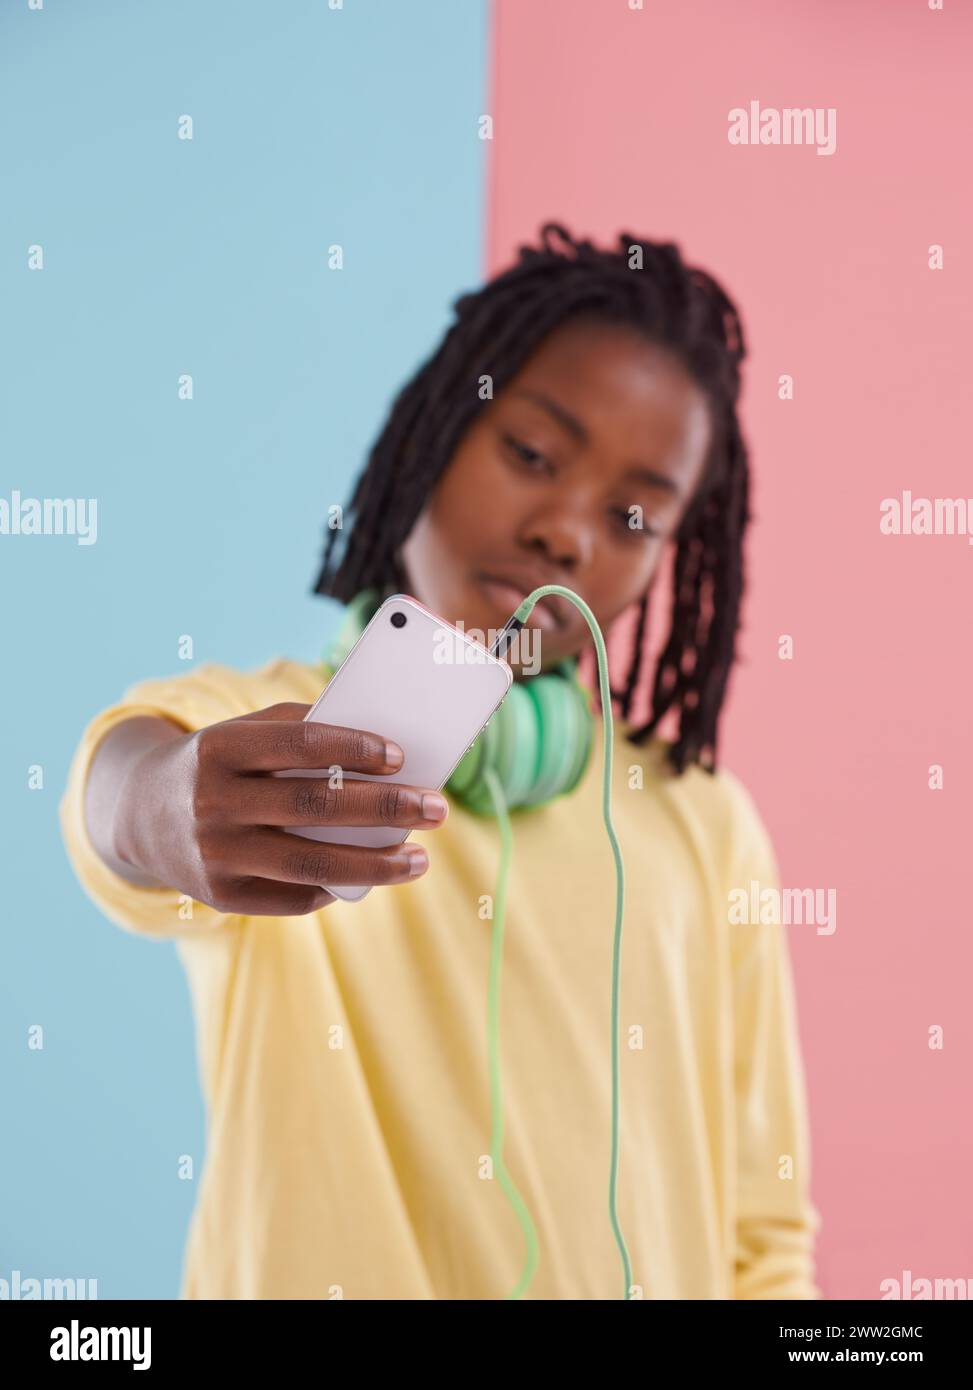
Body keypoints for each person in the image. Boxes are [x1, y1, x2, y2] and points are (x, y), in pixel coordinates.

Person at [60, 222, 822, 1300]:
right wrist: (159, 808)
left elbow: (763, 1234)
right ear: (431, 431)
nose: (566, 533)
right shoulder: (271, 733)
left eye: (633, 513)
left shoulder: (701, 819)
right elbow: (122, 788)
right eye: (531, 454)